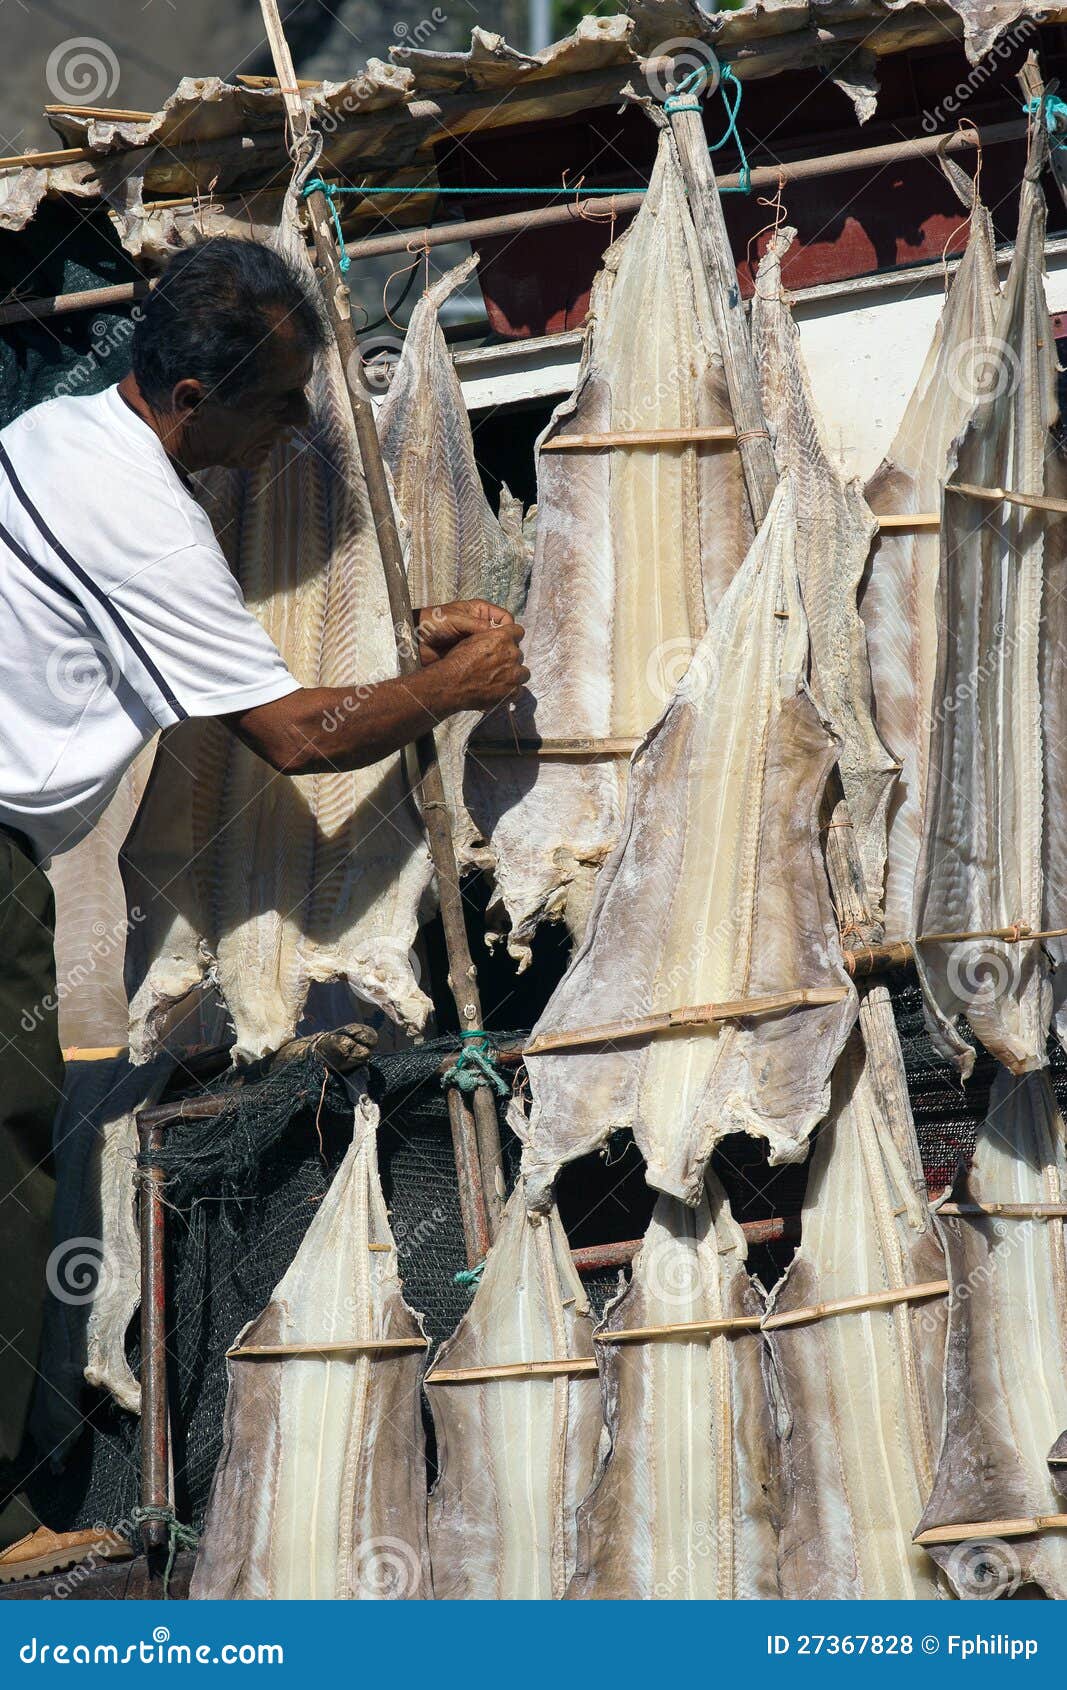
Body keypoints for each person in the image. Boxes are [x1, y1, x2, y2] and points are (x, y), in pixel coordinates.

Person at [0, 235, 527, 1553]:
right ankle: (16, 1501)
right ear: (190, 403)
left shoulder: (62, 433)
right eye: (280, 401)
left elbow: (237, 670)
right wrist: (454, 691)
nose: (301, 423)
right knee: (21, 1143)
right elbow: (301, 738)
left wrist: (397, 661)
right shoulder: (146, 516)